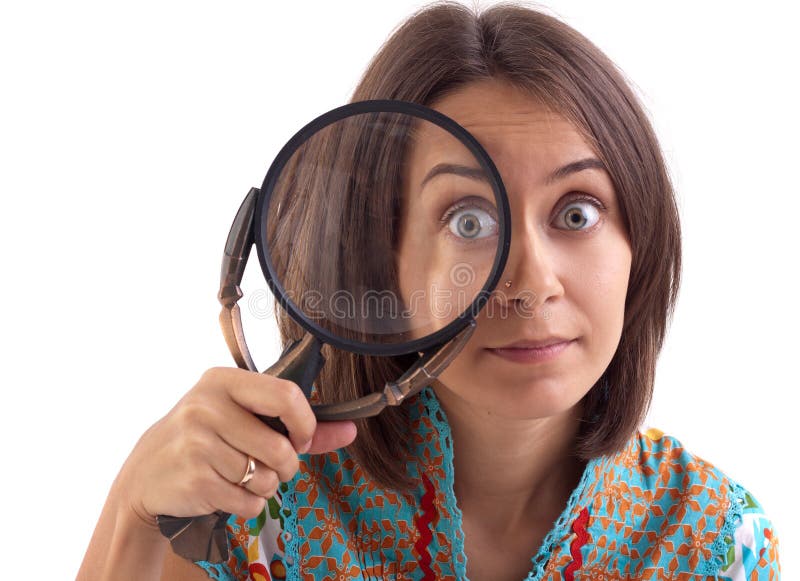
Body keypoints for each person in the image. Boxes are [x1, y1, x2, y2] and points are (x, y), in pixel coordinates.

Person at [77, 2, 781, 580]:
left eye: (577, 212)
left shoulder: (718, 539)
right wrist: (134, 512)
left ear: (640, 245)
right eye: (468, 220)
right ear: (382, 259)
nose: (532, 283)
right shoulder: (249, 516)